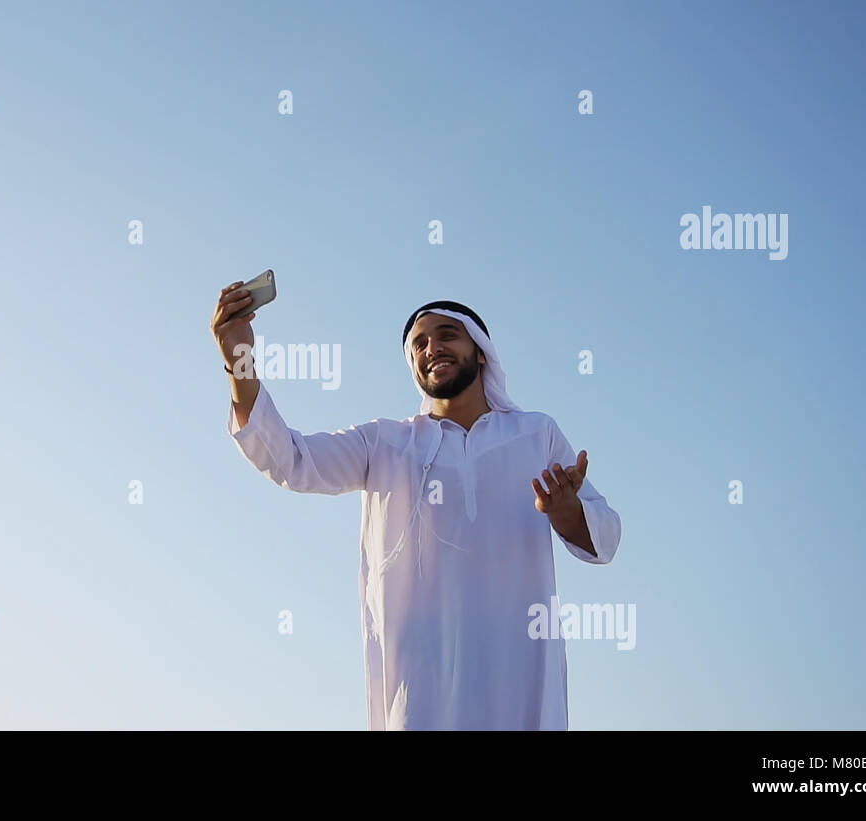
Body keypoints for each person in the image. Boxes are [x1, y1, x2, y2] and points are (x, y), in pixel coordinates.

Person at [211, 282, 622, 730]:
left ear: (481, 351)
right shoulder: (385, 443)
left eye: (447, 335)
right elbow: (291, 459)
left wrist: (565, 512)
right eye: (420, 344)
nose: (433, 348)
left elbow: (604, 536)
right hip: (420, 692)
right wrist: (239, 359)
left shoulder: (535, 434)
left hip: (518, 681)